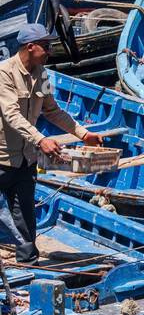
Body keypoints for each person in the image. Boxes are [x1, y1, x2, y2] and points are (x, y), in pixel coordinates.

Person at [0, 24, 104, 263]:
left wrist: (82, 133)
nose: (49, 51)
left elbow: (52, 111)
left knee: (25, 214)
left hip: (25, 160)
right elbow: (11, 115)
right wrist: (41, 139)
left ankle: (28, 264)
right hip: (2, 157)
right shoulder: (4, 73)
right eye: (46, 46)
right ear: (30, 47)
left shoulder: (42, 74)